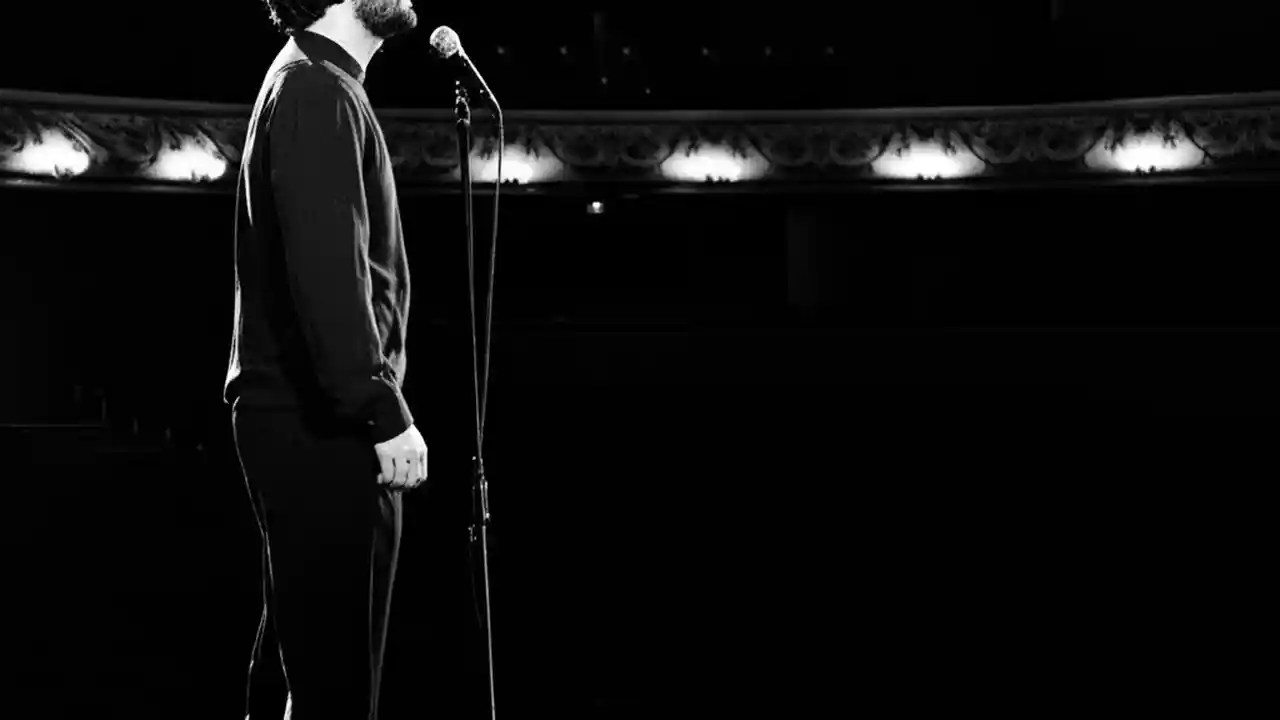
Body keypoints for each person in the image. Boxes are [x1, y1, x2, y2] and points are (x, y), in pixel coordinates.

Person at [223, 1, 425, 718]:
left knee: (305, 670)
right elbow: (328, 269)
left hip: (306, 416)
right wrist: (380, 405)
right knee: (332, 683)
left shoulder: (319, 81)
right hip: (320, 422)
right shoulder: (315, 87)